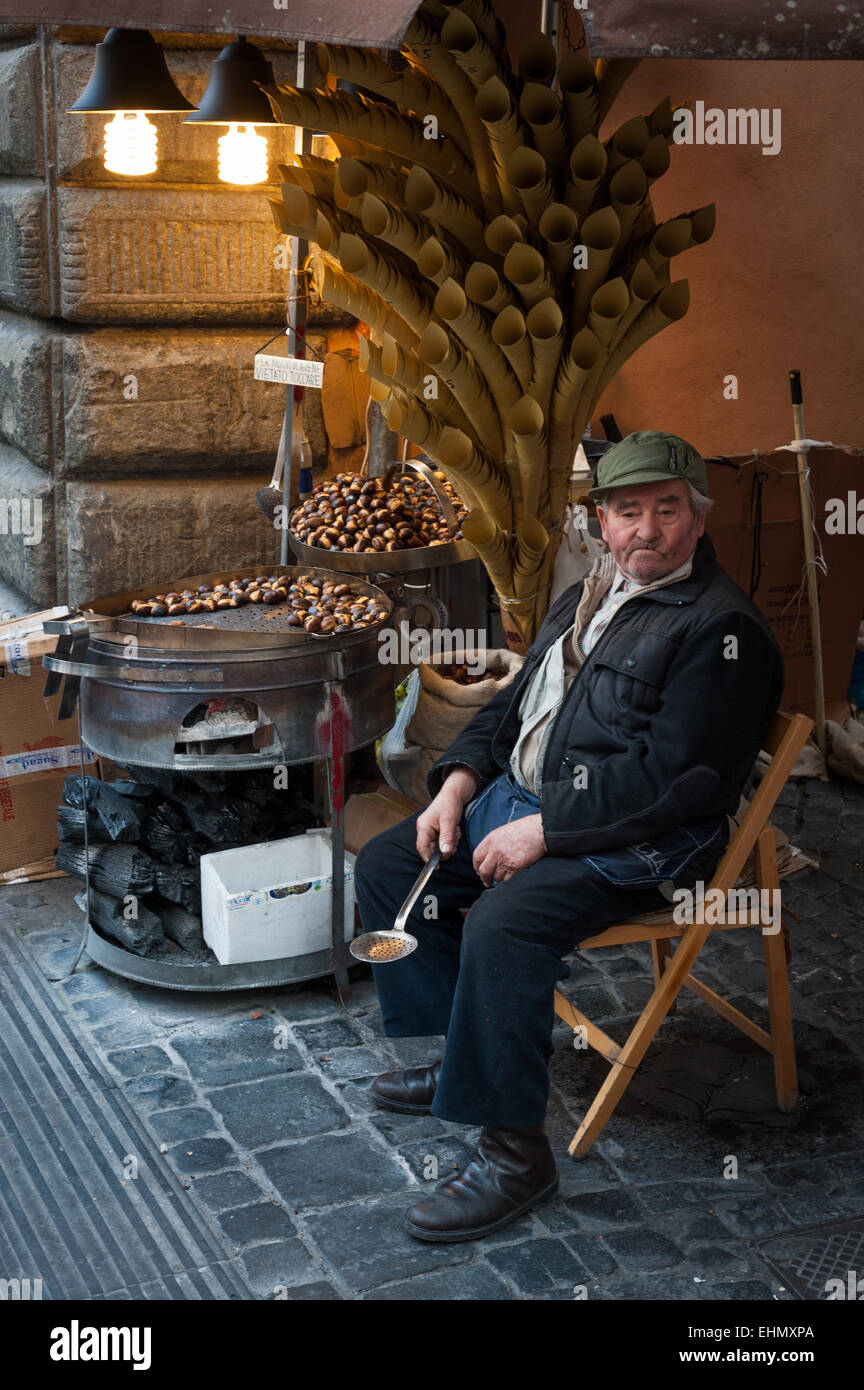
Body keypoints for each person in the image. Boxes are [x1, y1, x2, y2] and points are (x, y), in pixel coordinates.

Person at [354, 430, 784, 1243]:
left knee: (503, 924)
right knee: (389, 861)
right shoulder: (593, 590)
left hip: (639, 840)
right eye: (629, 513)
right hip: (526, 801)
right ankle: (465, 1058)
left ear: (698, 521)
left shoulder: (722, 631)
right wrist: (457, 783)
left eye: (667, 511)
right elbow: (510, 712)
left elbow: (678, 782)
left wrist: (545, 834)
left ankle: (516, 1158)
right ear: (602, 521)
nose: (647, 531)